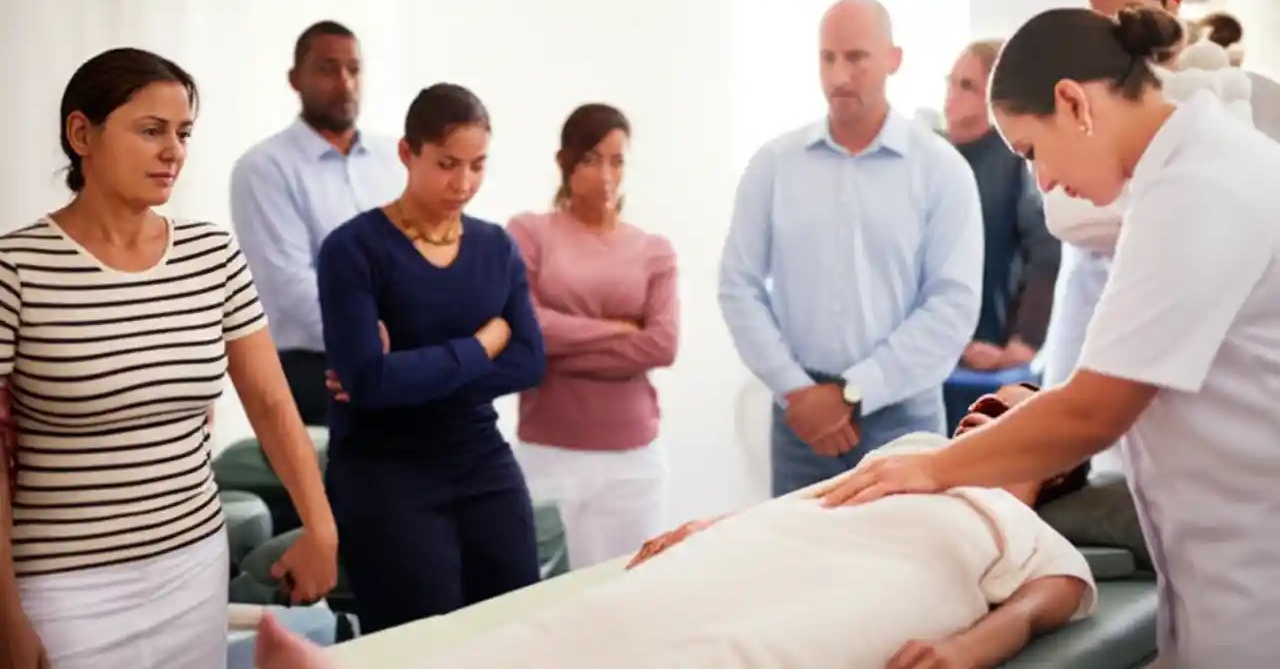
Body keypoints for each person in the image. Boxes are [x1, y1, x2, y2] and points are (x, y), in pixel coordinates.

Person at [819, 5, 1280, 668]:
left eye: (1032, 150)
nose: (1044, 181)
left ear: (1072, 102)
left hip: (1254, 575)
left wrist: (930, 466)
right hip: (1224, 561)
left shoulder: (1199, 188)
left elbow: (1095, 409)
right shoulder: (1186, 179)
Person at [247, 382, 1097, 669]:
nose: (981, 414)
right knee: (583, 622)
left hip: (875, 588)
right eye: (981, 406)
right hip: (780, 543)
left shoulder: (1029, 531)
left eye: (1008, 412)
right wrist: (715, 525)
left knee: (717, 658)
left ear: (1054, 458)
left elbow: (1052, 599)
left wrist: (972, 648)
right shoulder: (914, 450)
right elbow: (812, 499)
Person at [0, 48, 337, 669]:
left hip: (193, 570)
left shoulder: (211, 254)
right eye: (150, 130)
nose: (173, 151)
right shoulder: (16, 269)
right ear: (82, 134)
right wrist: (5, 612)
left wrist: (321, 527)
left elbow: (270, 402)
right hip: (64, 587)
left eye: (182, 133)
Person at [718, 0, 984, 498]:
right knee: (799, 568)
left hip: (903, 420)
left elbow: (952, 305)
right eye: (828, 58)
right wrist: (797, 391)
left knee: (908, 569)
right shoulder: (774, 165)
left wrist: (851, 392)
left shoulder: (940, 169)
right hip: (799, 422)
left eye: (857, 57)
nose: (840, 74)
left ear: (893, 59)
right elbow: (738, 286)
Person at [316, 83, 546, 634]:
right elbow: (368, 381)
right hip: (385, 469)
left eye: (477, 165)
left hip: (480, 457)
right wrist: (479, 346)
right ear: (406, 153)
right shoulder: (353, 249)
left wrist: (408, 374)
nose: (462, 183)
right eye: (446, 163)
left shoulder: (496, 247)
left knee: (519, 628)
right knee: (421, 643)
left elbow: (531, 362)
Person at [1042, 0, 1280, 392]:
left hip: (1225, 389)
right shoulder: (1075, 114)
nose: (1114, 48)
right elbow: (1073, 240)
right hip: (1085, 383)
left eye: (1127, 19)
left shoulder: (1262, 108)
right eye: (1099, 26)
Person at [507, 104, 678, 569]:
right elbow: (527, 329)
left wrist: (561, 346)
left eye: (617, 161)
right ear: (564, 161)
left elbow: (662, 345)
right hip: (549, 454)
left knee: (632, 596)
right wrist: (620, 334)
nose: (606, 175)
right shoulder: (529, 234)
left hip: (633, 461)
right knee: (551, 604)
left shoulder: (652, 250)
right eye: (591, 160)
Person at [230, 20, 403, 427]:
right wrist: (373, 342)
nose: (344, 83)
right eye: (327, 69)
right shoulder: (265, 168)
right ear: (296, 78)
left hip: (402, 362)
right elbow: (290, 287)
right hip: (314, 372)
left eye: (353, 69)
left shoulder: (394, 158)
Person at [944, 40, 1059, 371]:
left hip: (988, 353)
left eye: (966, 86)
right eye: (950, 82)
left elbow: (1047, 251)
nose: (951, 96)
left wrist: (1025, 341)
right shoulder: (930, 158)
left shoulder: (1017, 162)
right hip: (933, 350)